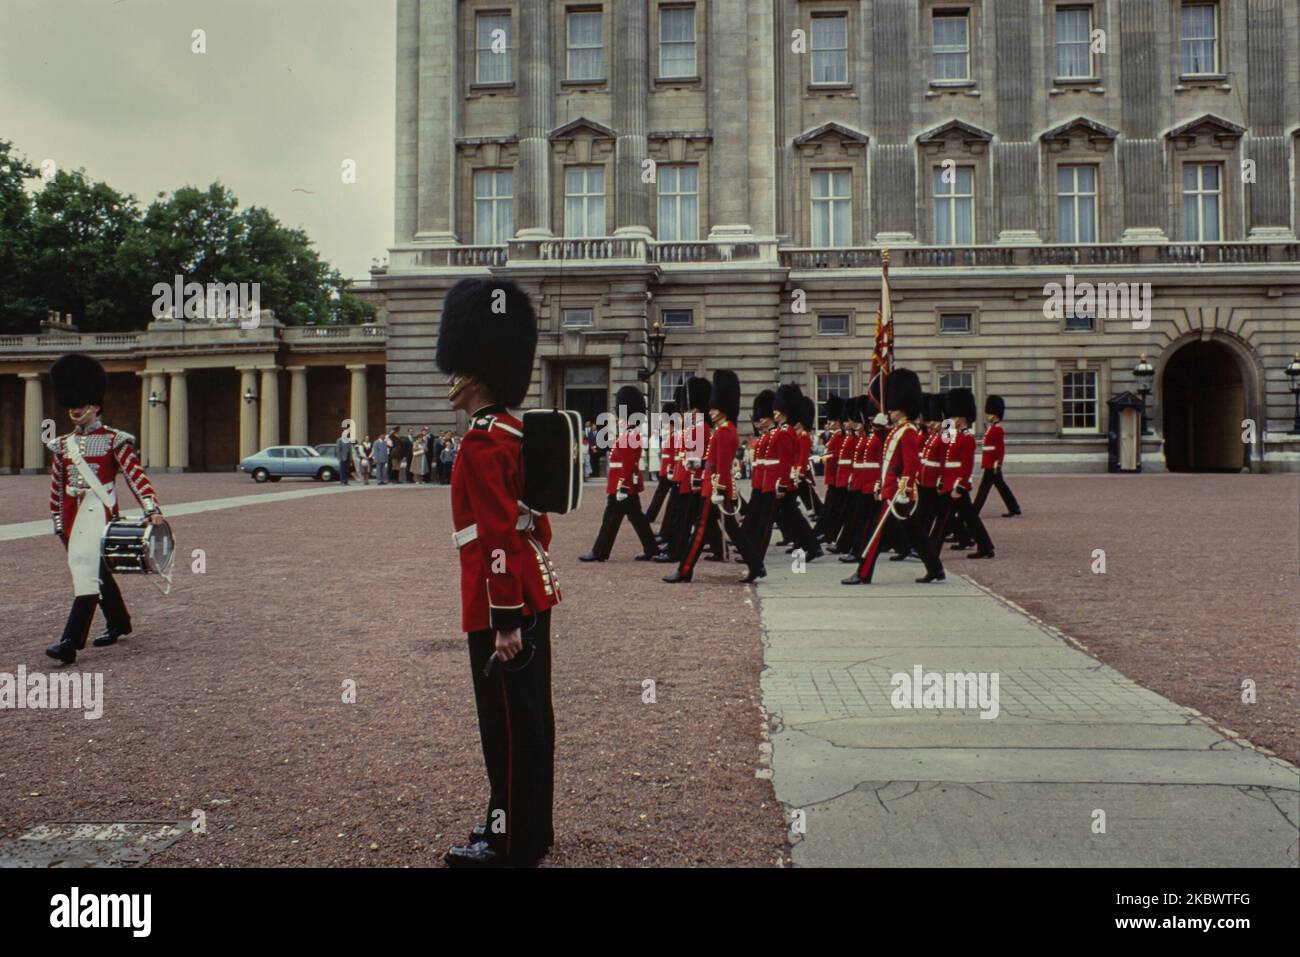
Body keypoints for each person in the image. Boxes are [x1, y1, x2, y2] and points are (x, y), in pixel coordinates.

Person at [438, 277, 561, 869]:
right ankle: (529, 829)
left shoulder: (484, 442)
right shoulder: (517, 434)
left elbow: (494, 538)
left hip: (500, 601)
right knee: (532, 720)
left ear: (478, 373)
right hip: (530, 586)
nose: (451, 379)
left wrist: (505, 619)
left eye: (459, 369)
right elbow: (536, 525)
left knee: (507, 727)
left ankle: (508, 842)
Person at [44, 354, 165, 665]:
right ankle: (119, 621)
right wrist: (58, 520)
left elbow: (136, 476)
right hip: (72, 518)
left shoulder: (114, 441)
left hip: (99, 513)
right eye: (73, 404)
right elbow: (57, 486)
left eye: (82, 403)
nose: (75, 409)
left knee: (86, 574)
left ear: (95, 406)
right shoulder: (63, 445)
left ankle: (69, 642)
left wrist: (150, 507)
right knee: (98, 572)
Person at [843, 369, 945, 586]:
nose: (890, 410)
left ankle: (863, 573)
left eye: (893, 407)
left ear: (903, 408)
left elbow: (911, 464)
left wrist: (904, 489)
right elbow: (887, 453)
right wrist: (878, 428)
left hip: (898, 490)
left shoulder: (908, 431)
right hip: (892, 488)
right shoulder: (897, 430)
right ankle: (936, 568)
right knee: (915, 532)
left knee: (876, 532)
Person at [663, 370, 766, 584]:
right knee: (733, 530)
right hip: (713, 485)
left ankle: (685, 570)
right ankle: (756, 565)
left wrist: (718, 489)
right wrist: (697, 464)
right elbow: (713, 461)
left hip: (714, 488)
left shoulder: (725, 432)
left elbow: (723, 466)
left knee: (700, 530)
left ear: (723, 408)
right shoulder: (723, 430)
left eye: (714, 408)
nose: (710, 411)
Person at [579, 386, 661, 563]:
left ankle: (599, 551)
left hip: (621, 485)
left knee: (611, 517)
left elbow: (628, 464)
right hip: (622, 484)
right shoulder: (628, 435)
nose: (619, 419)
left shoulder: (630, 436)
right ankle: (651, 549)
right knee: (635, 518)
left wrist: (623, 486)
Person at [934, 387, 996, 560]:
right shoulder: (952, 434)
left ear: (962, 418)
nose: (951, 419)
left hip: (956, 484)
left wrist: (960, 486)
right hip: (948, 481)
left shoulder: (967, 438)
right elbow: (941, 446)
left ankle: (932, 551)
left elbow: (967, 466)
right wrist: (946, 422)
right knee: (970, 517)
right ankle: (986, 546)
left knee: (944, 519)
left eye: (954, 416)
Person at [973, 395, 1022, 518]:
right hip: (989, 462)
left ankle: (974, 511)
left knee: (984, 488)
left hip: (992, 464)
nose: (987, 415)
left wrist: (997, 464)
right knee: (1001, 486)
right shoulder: (992, 428)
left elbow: (1000, 449)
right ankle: (1014, 507)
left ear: (995, 415)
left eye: (989, 414)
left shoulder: (997, 429)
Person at [643, 401, 676, 525]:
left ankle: (652, 516)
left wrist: (671, 470)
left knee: (666, 496)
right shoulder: (670, 435)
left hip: (672, 471)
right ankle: (651, 516)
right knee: (662, 494)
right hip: (667, 470)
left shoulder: (675, 436)